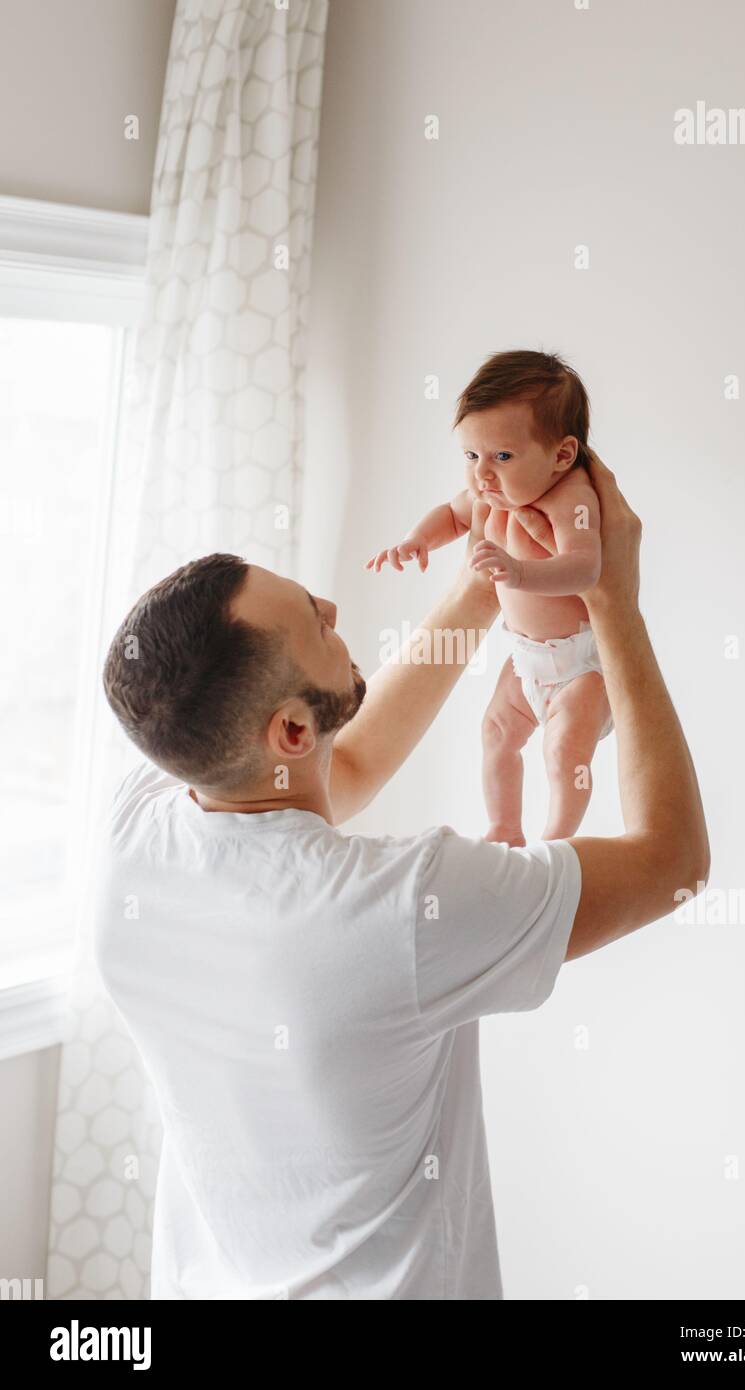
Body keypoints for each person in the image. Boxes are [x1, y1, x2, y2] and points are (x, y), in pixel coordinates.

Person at [96, 453, 709, 1300]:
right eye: (315, 622)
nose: (334, 605)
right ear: (287, 735)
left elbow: (340, 768)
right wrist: (614, 605)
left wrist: (485, 587)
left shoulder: (136, 824)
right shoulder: (402, 908)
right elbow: (672, 861)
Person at [367, 349, 610, 844]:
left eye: (502, 456)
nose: (482, 475)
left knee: (564, 752)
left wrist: (520, 571)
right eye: (471, 456)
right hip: (526, 658)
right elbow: (452, 515)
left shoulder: (571, 497)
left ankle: (556, 840)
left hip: (582, 664)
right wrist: (417, 540)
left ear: (562, 456)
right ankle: (504, 827)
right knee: (497, 734)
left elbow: (587, 566)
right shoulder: (491, 493)